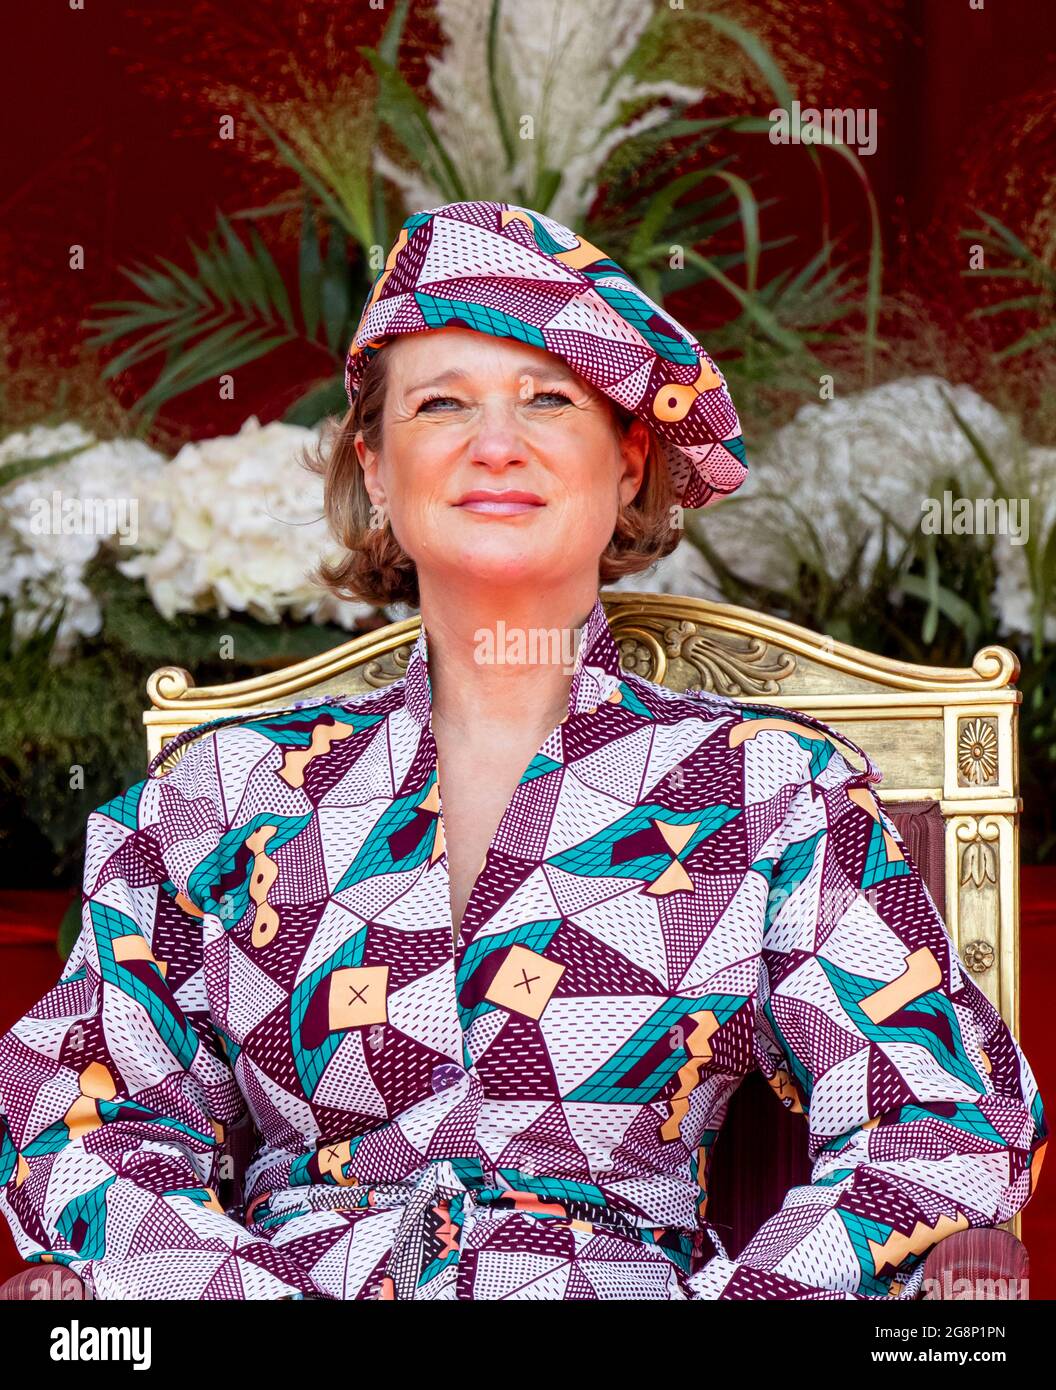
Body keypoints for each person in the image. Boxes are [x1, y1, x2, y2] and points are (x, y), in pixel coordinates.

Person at [0, 200, 1046, 1300]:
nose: (495, 443)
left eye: (550, 399)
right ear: (377, 464)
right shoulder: (221, 795)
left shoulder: (767, 791)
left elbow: (940, 1120)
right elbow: (85, 1116)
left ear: (633, 460)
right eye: (440, 404)